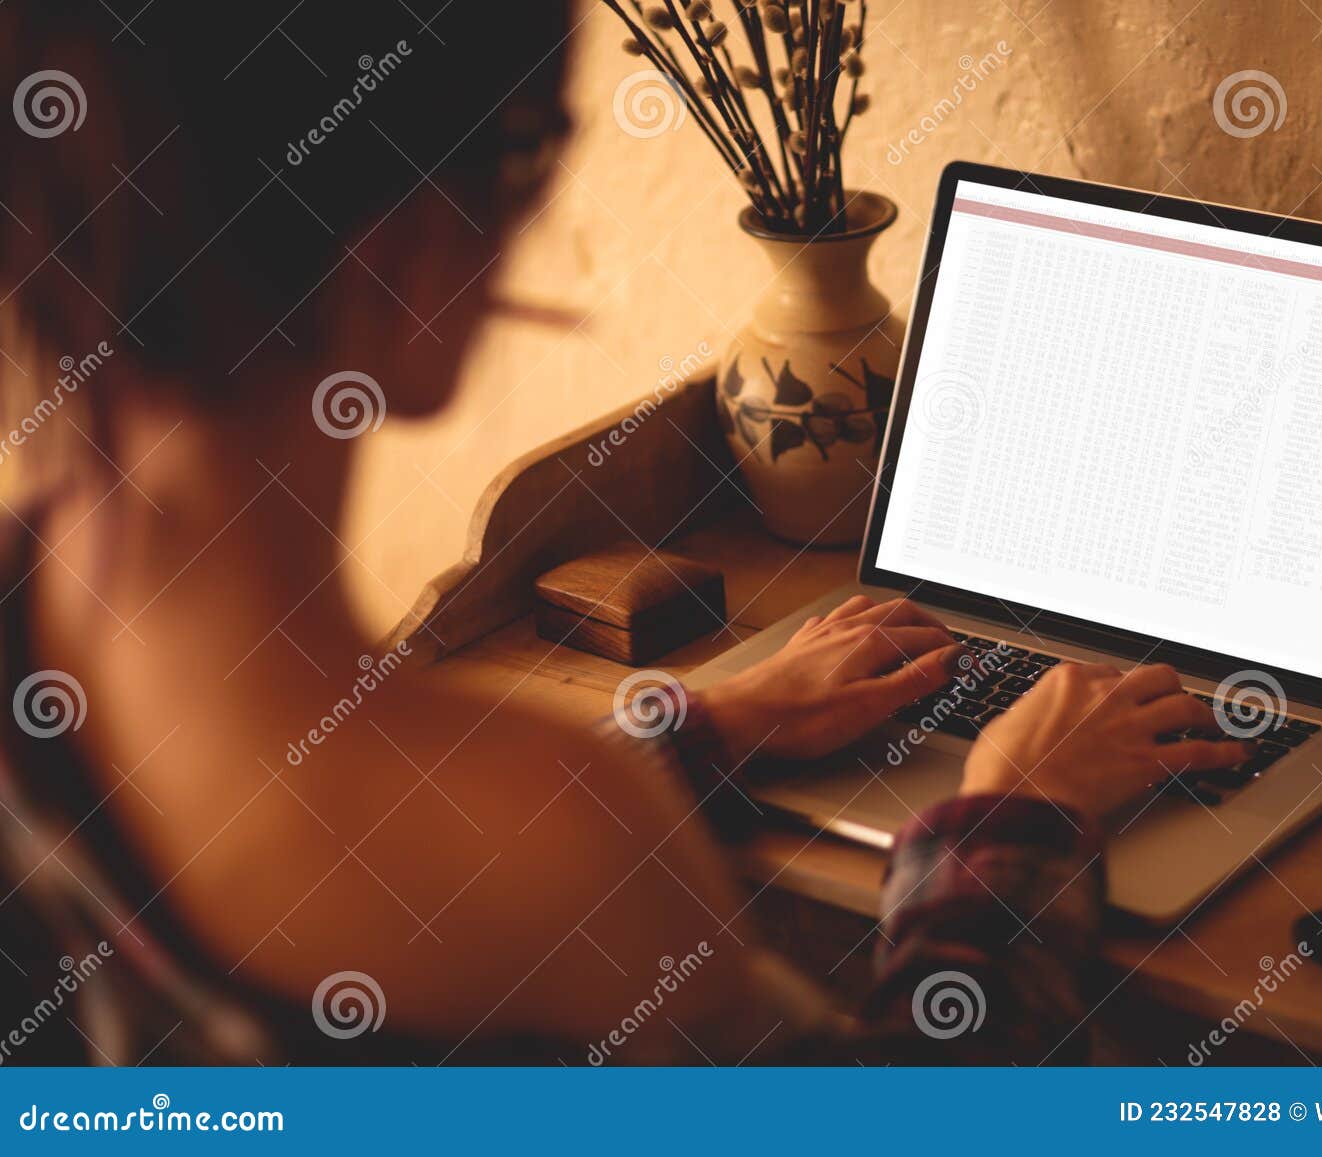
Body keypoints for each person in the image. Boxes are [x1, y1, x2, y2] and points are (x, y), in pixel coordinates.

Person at [0, 2, 1249, 1065]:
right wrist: (1010, 815)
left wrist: (710, 724)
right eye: (525, 163)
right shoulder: (568, 836)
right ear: (410, 259)